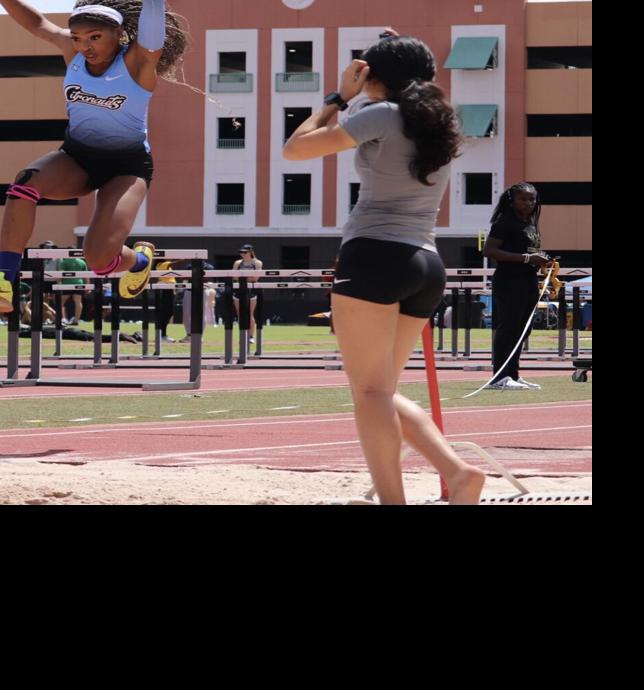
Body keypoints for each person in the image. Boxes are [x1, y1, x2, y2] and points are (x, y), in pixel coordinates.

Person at [283, 34, 485, 505]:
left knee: (370, 393)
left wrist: (338, 97)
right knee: (381, 390)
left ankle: (395, 501)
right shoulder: (440, 121)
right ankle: (457, 474)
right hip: (427, 263)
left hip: (374, 256)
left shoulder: (382, 115)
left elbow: (295, 149)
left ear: (373, 76)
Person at [0, 0, 189, 315]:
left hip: (125, 168)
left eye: (95, 37)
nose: (85, 46)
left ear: (119, 33)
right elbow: (38, 24)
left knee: (99, 261)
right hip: (77, 158)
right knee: (24, 185)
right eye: (77, 38)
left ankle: (140, 260)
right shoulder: (72, 53)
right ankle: (4, 280)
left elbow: (153, 33)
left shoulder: (138, 61)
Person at [482, 183, 550, 390]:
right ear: (512, 201)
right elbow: (489, 250)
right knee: (509, 327)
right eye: (523, 199)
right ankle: (499, 377)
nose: (529, 203)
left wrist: (541, 260)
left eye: (532, 199)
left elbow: (529, 251)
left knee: (523, 329)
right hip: (509, 281)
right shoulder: (505, 222)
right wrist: (526, 258)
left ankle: (513, 374)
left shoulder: (529, 223)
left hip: (528, 280)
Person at [232, 243, 263, 343]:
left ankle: (250, 336)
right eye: (241, 252)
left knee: (250, 314)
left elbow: (256, 278)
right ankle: (242, 335)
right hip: (238, 290)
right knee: (240, 314)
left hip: (251, 290)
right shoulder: (237, 263)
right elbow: (234, 276)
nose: (242, 254)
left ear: (250, 252)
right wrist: (247, 277)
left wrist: (242, 277)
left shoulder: (257, 263)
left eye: (244, 252)